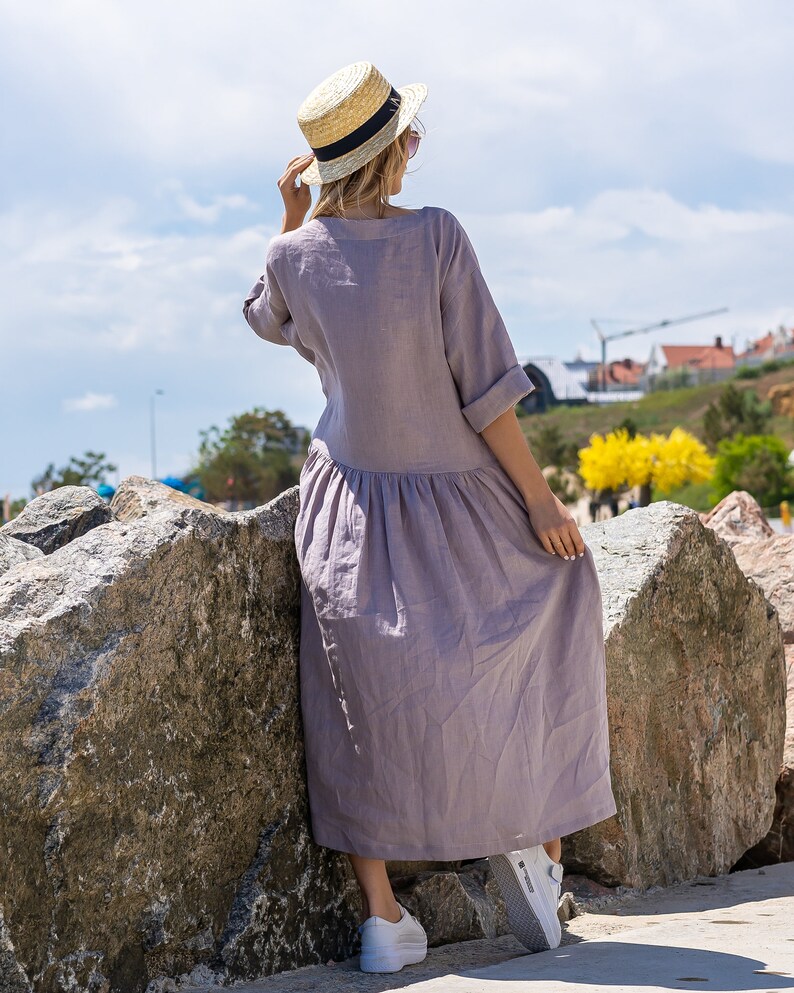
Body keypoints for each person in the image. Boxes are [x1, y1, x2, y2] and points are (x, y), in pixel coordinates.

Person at [243, 61, 617, 974]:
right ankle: (537, 841)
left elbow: (266, 317)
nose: (417, 149)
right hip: (454, 491)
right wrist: (539, 498)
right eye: (410, 136)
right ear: (391, 152)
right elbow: (488, 389)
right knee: (560, 596)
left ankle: (383, 920)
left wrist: (293, 221)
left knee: (355, 697)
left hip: (348, 510)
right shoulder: (439, 237)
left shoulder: (295, 254)